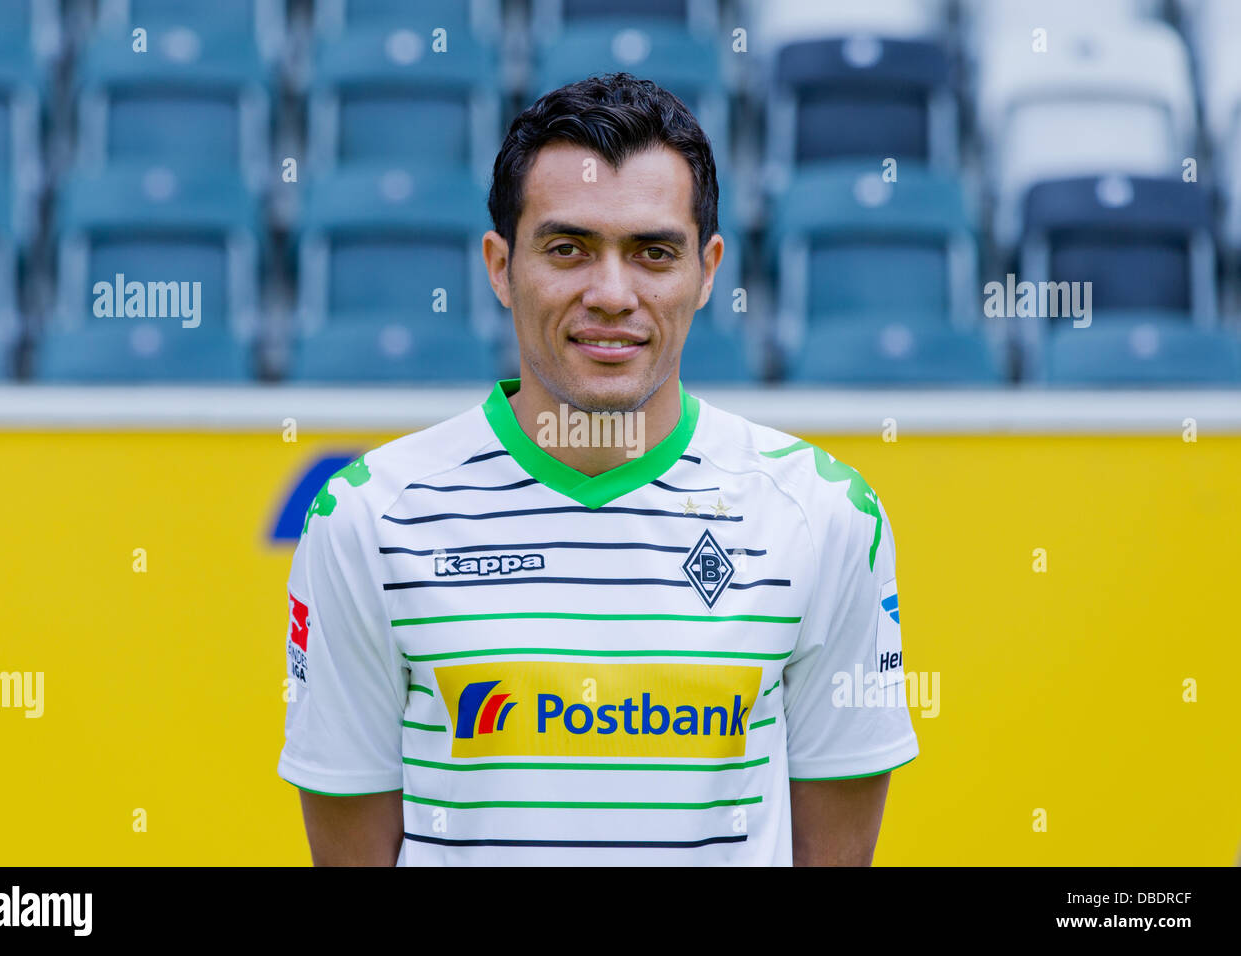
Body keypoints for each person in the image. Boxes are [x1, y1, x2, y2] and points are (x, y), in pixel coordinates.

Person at [278, 72, 917, 865]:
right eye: (568, 249)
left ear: (708, 270)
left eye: (653, 252)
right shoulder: (368, 518)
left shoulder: (824, 516)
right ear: (500, 266)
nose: (611, 294)